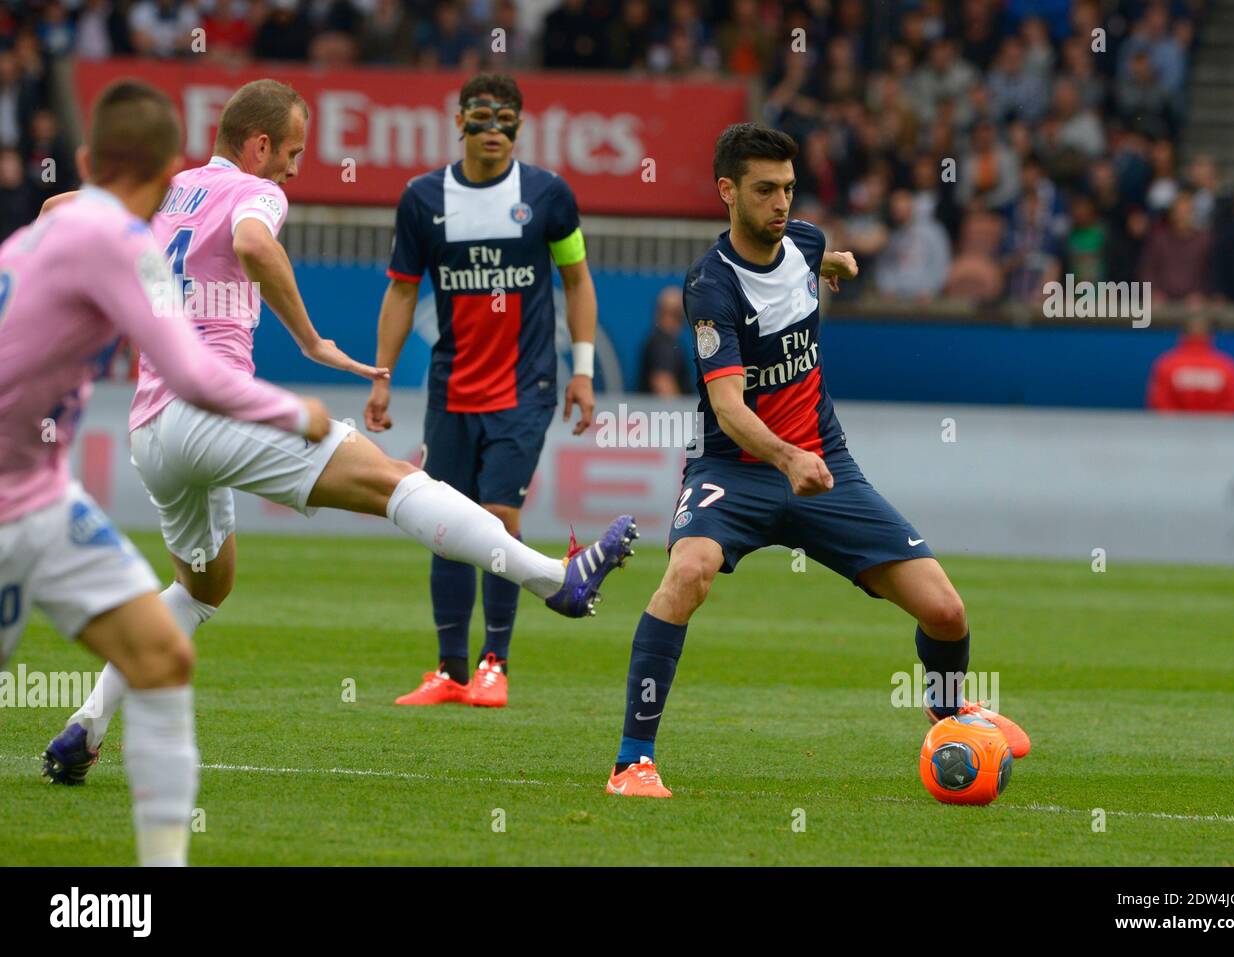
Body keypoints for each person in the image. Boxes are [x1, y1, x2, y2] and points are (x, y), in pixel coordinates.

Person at [47, 78, 636, 780]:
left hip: (153, 430)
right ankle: (556, 579)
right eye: (292, 151)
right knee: (396, 479)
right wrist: (310, 340)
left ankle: (84, 727)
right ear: (259, 144)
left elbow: (59, 207)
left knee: (204, 588)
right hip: (210, 405)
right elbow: (255, 246)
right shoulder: (253, 193)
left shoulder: (172, 188)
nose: (295, 168)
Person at [602, 124, 1030, 798]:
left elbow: (817, 254)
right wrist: (785, 457)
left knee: (946, 612)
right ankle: (633, 761)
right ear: (727, 192)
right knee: (689, 572)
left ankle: (950, 717)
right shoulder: (710, 287)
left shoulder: (800, 241)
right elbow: (727, 405)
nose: (781, 203)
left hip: (825, 468)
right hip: (736, 470)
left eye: (789, 189)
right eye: (766, 190)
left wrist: (837, 262)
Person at [2, 79, 330, 863]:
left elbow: (58, 212)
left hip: (41, 500)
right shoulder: (119, 243)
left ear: (85, 160)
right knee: (170, 643)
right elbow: (192, 371)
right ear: (164, 174)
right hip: (18, 503)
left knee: (163, 650)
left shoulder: (36, 238)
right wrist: (299, 413)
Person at [365, 73, 608, 708]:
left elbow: (577, 281)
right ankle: (449, 670)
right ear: (459, 121)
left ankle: (493, 664)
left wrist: (581, 370)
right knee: (444, 523)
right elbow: (401, 289)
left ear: (520, 128)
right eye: (482, 117)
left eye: (506, 119)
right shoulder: (422, 199)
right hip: (451, 389)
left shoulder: (548, 195)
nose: (493, 130)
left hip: (526, 388)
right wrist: (383, 375)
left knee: (498, 516)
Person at [1147, 316, 1234, 414]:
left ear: (1181, 335)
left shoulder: (1166, 364)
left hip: (1175, 429)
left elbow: (1160, 404)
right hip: (1216, 429)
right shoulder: (1227, 366)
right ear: (1211, 336)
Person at [638, 286, 692, 396]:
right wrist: (682, 412)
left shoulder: (657, 340)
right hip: (666, 412)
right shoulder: (663, 344)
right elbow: (662, 383)